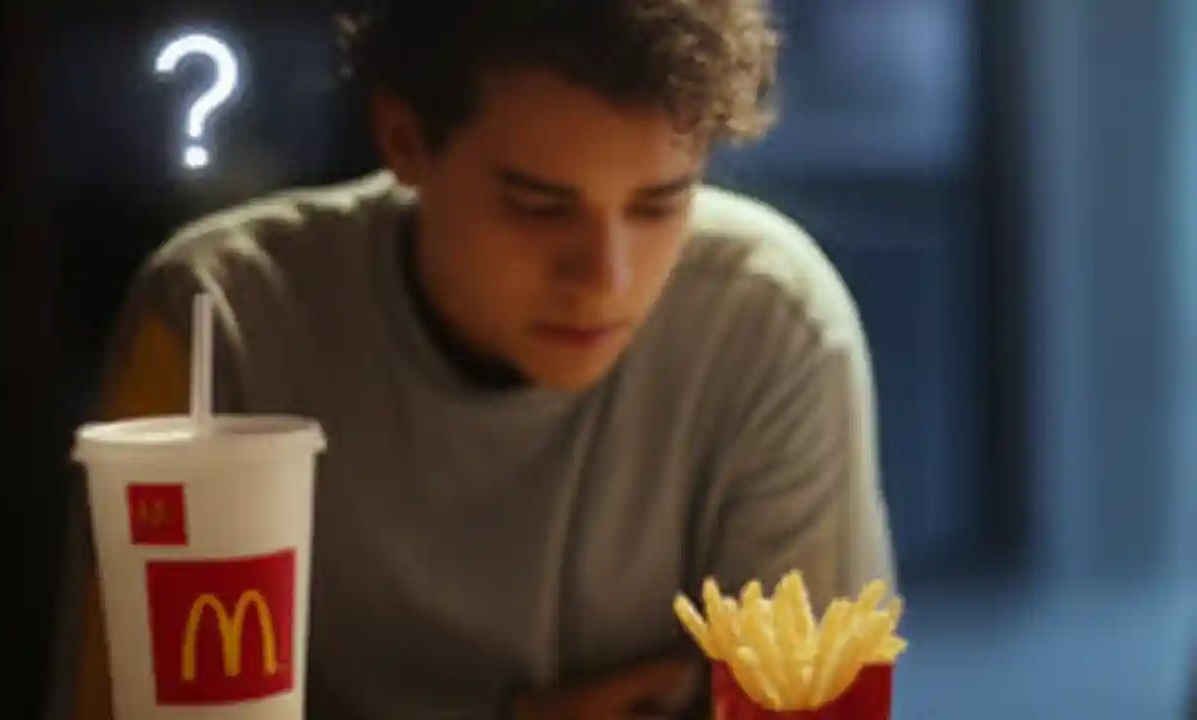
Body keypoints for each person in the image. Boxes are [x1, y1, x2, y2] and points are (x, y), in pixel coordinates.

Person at [70, 1, 897, 717]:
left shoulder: (769, 322)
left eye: (659, 204)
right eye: (538, 207)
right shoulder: (223, 319)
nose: (603, 280)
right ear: (404, 140)